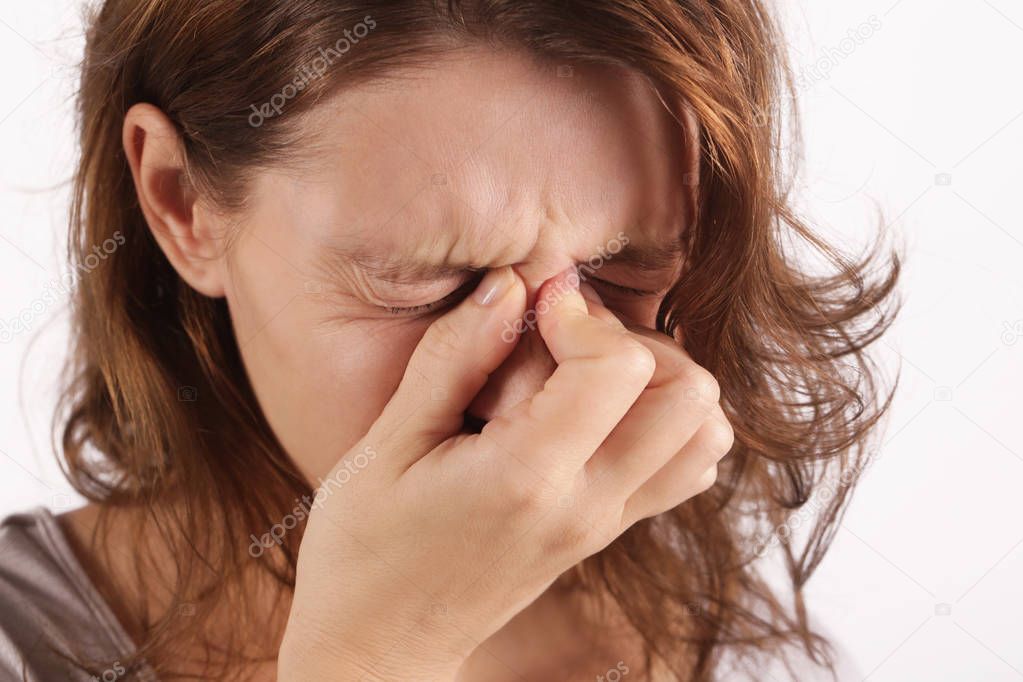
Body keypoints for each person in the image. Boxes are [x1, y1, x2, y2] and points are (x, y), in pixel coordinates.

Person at [0, 1, 898, 680]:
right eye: (430, 285)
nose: (540, 393)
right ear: (180, 203)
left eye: (624, 273)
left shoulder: (706, 623)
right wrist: (366, 654)